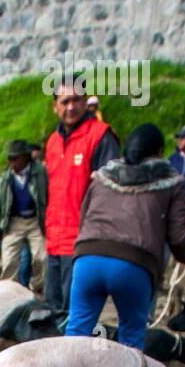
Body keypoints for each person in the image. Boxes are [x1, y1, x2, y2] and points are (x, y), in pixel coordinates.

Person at [66, 123, 185, 349]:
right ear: (159, 153)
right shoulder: (171, 183)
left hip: (87, 259)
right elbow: (179, 236)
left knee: (76, 332)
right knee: (132, 337)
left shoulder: (102, 177)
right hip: (133, 264)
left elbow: (84, 216)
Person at [44, 81, 119, 315]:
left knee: (76, 316)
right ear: (55, 106)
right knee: (51, 311)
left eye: (77, 100)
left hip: (83, 241)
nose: (71, 106)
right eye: (65, 101)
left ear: (85, 101)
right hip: (54, 241)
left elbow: (110, 191)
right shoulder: (52, 142)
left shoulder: (101, 136)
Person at [0, 139, 48, 292]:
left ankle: (37, 287)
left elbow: (48, 196)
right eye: (9, 159)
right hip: (14, 222)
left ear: (25, 157)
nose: (11, 162)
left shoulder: (40, 173)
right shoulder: (6, 178)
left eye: (15, 158)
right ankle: (9, 291)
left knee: (41, 257)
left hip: (35, 221)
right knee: (9, 260)